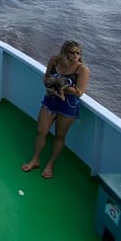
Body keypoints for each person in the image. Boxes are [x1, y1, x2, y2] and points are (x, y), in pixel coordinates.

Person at [21, 40, 90, 179]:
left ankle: (51, 164)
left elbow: (79, 92)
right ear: (64, 52)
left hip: (68, 105)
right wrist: (49, 84)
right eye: (72, 53)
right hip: (50, 100)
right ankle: (35, 159)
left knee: (60, 135)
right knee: (41, 131)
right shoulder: (54, 61)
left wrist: (60, 84)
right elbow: (46, 77)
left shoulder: (82, 69)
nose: (75, 56)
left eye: (78, 53)